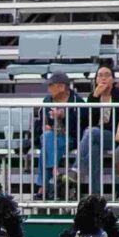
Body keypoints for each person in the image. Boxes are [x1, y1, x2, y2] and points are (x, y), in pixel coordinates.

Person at [77, 63, 119, 196]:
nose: (103, 78)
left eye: (107, 75)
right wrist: (95, 98)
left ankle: (77, 169)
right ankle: (95, 194)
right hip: (94, 137)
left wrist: (97, 129)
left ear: (113, 79)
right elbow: (86, 122)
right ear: (96, 80)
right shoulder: (92, 97)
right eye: (100, 76)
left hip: (113, 137)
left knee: (91, 132)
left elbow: (117, 123)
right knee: (93, 148)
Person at [36, 71, 83, 200]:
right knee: (47, 137)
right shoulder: (47, 101)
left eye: (51, 86)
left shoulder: (77, 101)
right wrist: (44, 127)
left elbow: (82, 124)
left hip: (70, 139)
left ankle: (43, 186)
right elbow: (39, 124)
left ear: (61, 87)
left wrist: (64, 117)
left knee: (47, 144)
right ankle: (54, 172)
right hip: (51, 138)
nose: (48, 89)